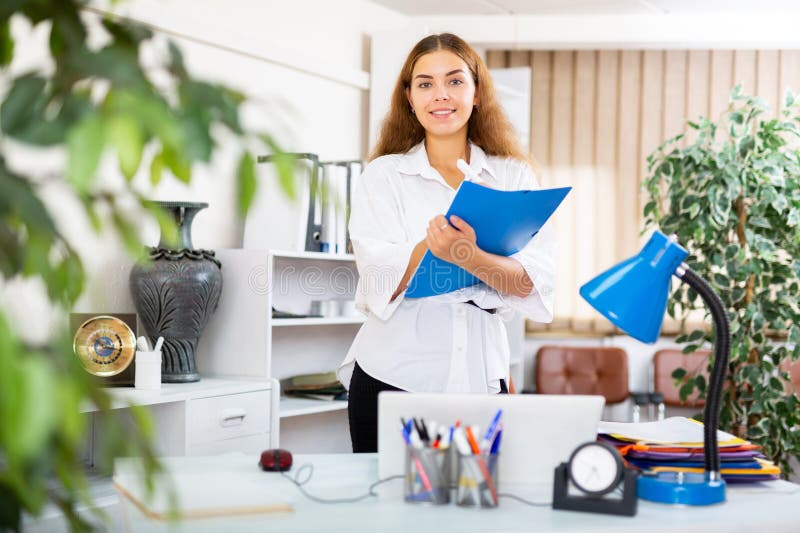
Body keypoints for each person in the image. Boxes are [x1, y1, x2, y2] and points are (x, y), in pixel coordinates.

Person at [337, 33, 555, 453]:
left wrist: (468, 255)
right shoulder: (383, 176)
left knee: (477, 511)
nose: (441, 95)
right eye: (425, 84)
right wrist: (432, 244)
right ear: (410, 97)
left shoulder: (513, 177)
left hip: (483, 380)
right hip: (392, 377)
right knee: (386, 515)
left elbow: (533, 285)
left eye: (455, 81)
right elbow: (379, 277)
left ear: (476, 93)